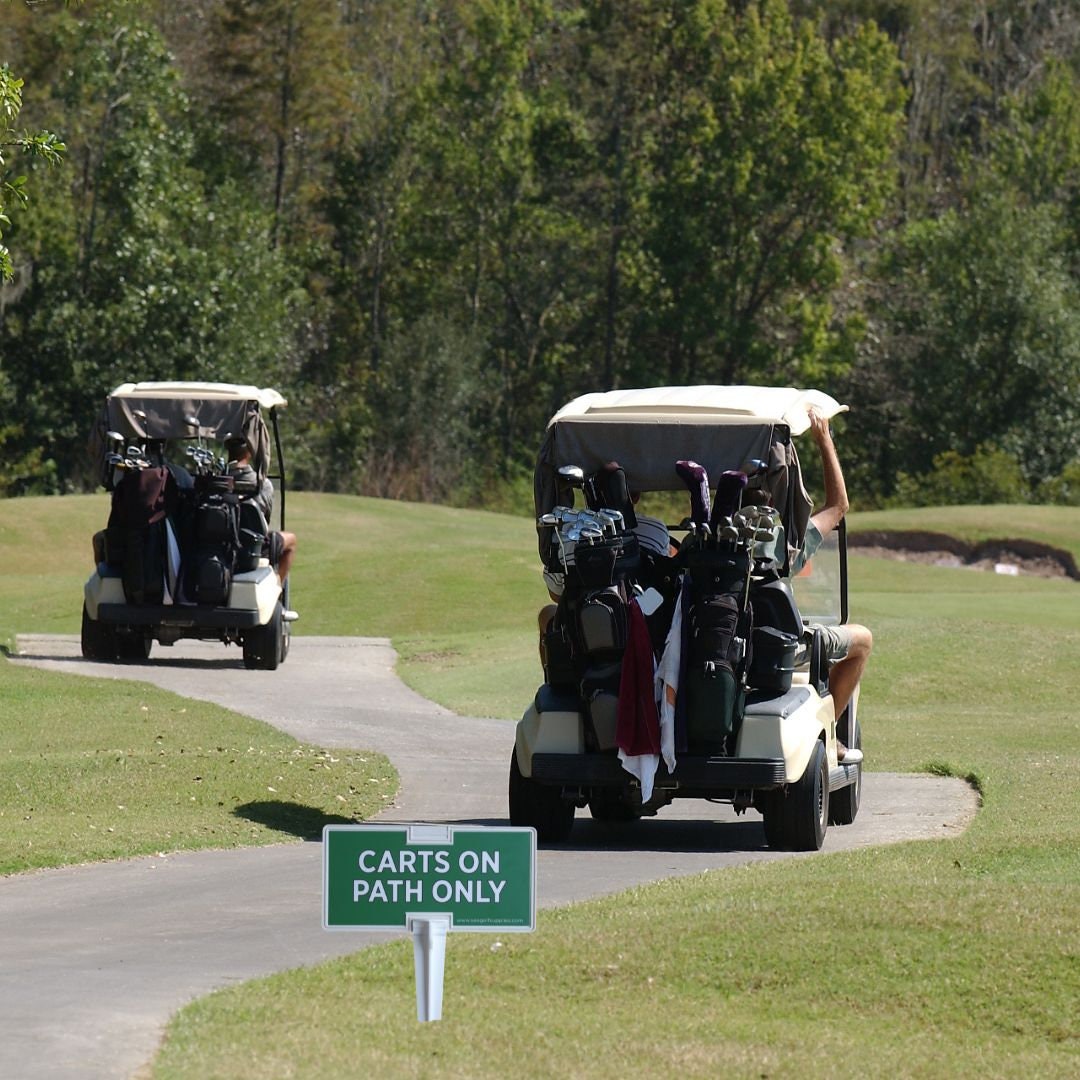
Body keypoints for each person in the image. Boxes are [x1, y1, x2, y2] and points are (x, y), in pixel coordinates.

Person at [794, 409, 873, 763]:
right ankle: (832, 731)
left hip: (716, 648)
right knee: (862, 638)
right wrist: (824, 439)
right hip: (776, 648)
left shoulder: (699, 545)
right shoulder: (783, 544)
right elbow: (838, 506)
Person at [226, 436, 298, 606]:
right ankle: (278, 586)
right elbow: (263, 517)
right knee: (292, 540)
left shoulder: (218, 479)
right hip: (252, 544)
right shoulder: (262, 484)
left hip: (221, 540)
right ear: (249, 453)